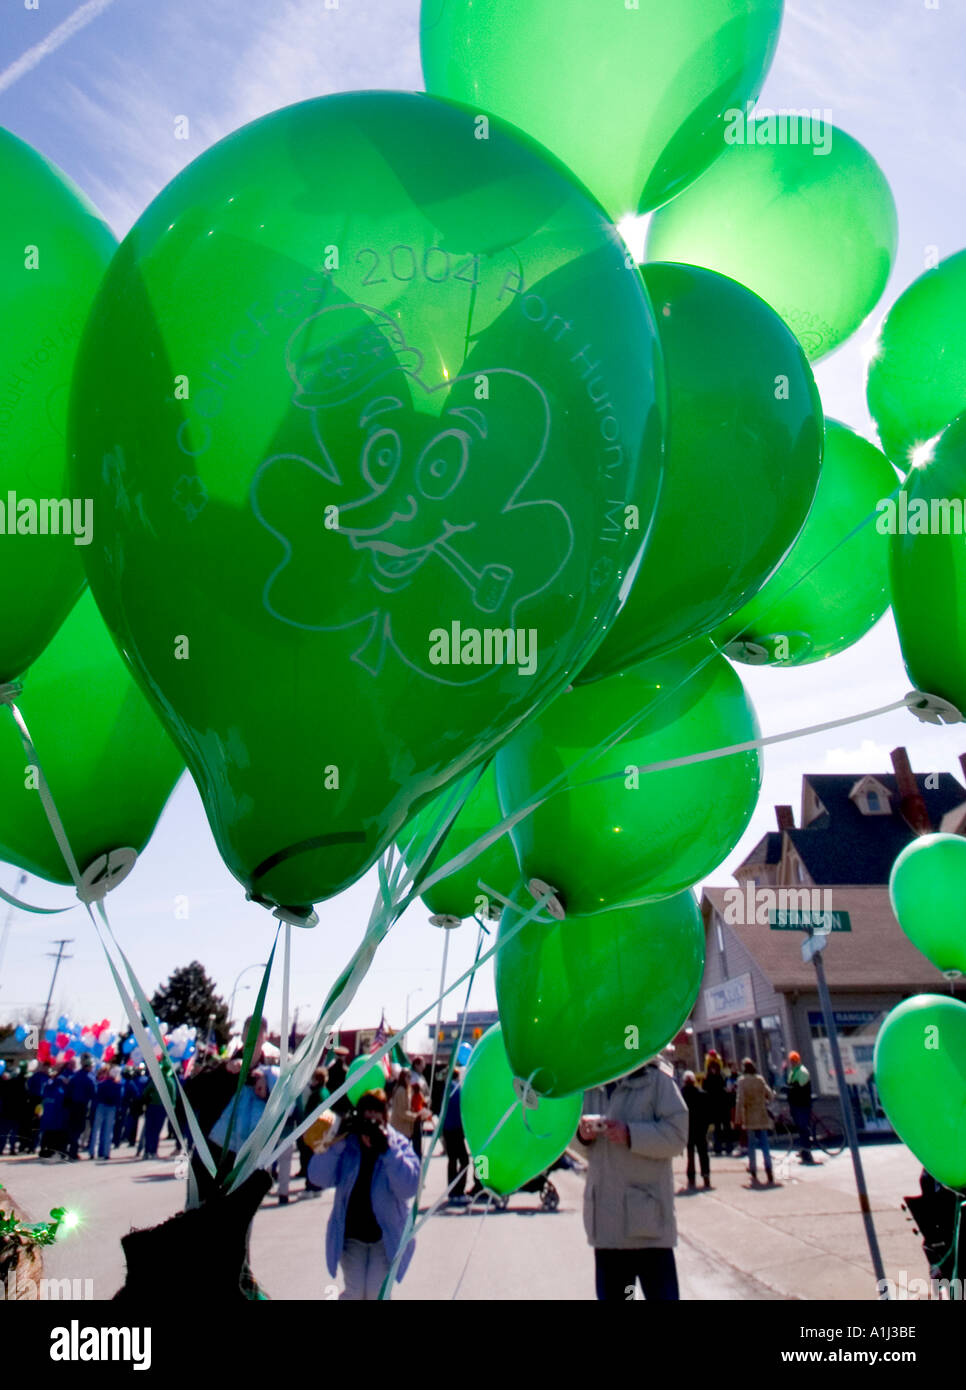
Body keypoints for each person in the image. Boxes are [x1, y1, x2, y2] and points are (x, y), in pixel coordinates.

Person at [576, 1058, 688, 1301]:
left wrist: (630, 1134)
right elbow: (573, 1143)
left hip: (648, 1228)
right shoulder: (590, 1081)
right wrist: (582, 1136)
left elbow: (677, 1136)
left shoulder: (657, 1081)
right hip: (606, 1228)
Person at [308, 1089, 420, 1300]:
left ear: (384, 1117)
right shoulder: (348, 1143)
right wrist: (337, 1141)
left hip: (384, 1237)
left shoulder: (397, 1144)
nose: (370, 1123)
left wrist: (388, 1151)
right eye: (365, 1115)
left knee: (376, 1292)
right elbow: (317, 1177)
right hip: (352, 1237)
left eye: (376, 1115)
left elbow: (408, 1188)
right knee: (355, 1292)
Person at [735, 1057, 775, 1186]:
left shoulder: (742, 1082)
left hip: (749, 1115)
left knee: (751, 1145)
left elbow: (739, 1100)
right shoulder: (760, 1079)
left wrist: (738, 1117)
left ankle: (753, 1169)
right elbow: (770, 1095)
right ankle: (769, 1169)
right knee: (765, 1144)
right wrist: (766, 1101)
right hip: (761, 1114)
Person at [441, 1070, 470, 1202]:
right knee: (471, 1159)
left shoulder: (448, 1089)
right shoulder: (458, 1089)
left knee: (453, 1159)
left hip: (449, 1128)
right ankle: (479, 1185)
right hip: (459, 1128)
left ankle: (453, 1190)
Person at [681, 1071, 711, 1190]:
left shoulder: (681, 1095)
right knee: (703, 1153)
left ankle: (691, 1177)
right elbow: (708, 1112)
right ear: (694, 1081)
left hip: (688, 1128)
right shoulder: (702, 1094)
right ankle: (706, 1175)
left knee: (690, 1154)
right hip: (701, 1128)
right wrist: (706, 1125)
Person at [784, 1050, 815, 1164]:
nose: (792, 1062)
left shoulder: (802, 1071)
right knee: (800, 1128)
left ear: (798, 1060)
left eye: (794, 1060)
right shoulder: (793, 1072)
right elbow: (791, 1085)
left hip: (802, 1103)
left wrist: (790, 1089)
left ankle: (807, 1152)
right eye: (791, 1061)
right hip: (796, 1103)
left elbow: (800, 1088)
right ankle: (804, 1149)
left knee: (803, 1127)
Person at [65, 1056, 97, 1160]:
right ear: (87, 1067)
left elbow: (69, 1089)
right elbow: (93, 1092)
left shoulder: (75, 1076)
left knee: (72, 1128)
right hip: (82, 1105)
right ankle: (73, 1152)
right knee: (79, 1129)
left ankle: (70, 1150)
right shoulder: (89, 1078)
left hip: (72, 1105)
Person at [88, 1065, 123, 1160]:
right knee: (108, 1131)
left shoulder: (101, 1084)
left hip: (101, 1106)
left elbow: (96, 1096)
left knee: (96, 1130)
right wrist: (119, 1110)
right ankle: (106, 1153)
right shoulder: (118, 1085)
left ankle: (92, 1152)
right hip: (111, 1108)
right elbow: (119, 1099)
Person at [702, 1053, 730, 1156]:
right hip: (715, 1106)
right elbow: (705, 1091)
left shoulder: (722, 1077)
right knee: (717, 1127)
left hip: (722, 1105)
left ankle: (728, 1146)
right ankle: (718, 1146)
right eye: (711, 1067)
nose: (713, 1069)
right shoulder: (708, 1079)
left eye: (715, 1067)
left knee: (726, 1126)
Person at [389, 1068, 420, 1148]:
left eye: (410, 1077)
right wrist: (415, 1117)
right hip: (400, 1128)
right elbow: (401, 1112)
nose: (410, 1079)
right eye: (408, 1077)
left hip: (404, 1128)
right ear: (403, 1077)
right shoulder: (401, 1091)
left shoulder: (406, 1090)